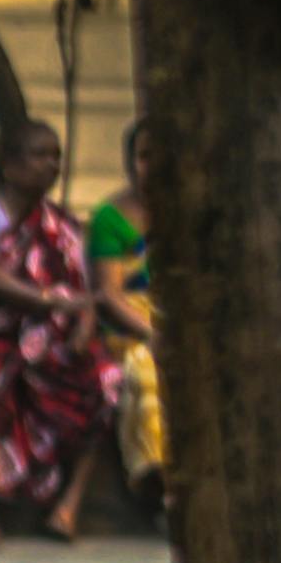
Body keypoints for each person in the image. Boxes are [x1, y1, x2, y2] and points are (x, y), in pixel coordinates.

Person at [0, 120, 146, 545]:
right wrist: (46, 300)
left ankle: (68, 507)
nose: (53, 166)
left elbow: (84, 288)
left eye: (56, 157)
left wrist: (84, 323)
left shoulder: (56, 222)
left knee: (104, 381)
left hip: (43, 333)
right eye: (41, 155)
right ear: (9, 166)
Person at [88, 118, 170, 514]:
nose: (150, 167)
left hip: (178, 320)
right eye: (142, 157)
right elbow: (109, 295)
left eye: (160, 156)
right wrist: (153, 333)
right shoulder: (110, 218)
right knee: (148, 375)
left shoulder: (191, 212)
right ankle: (160, 487)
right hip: (131, 325)